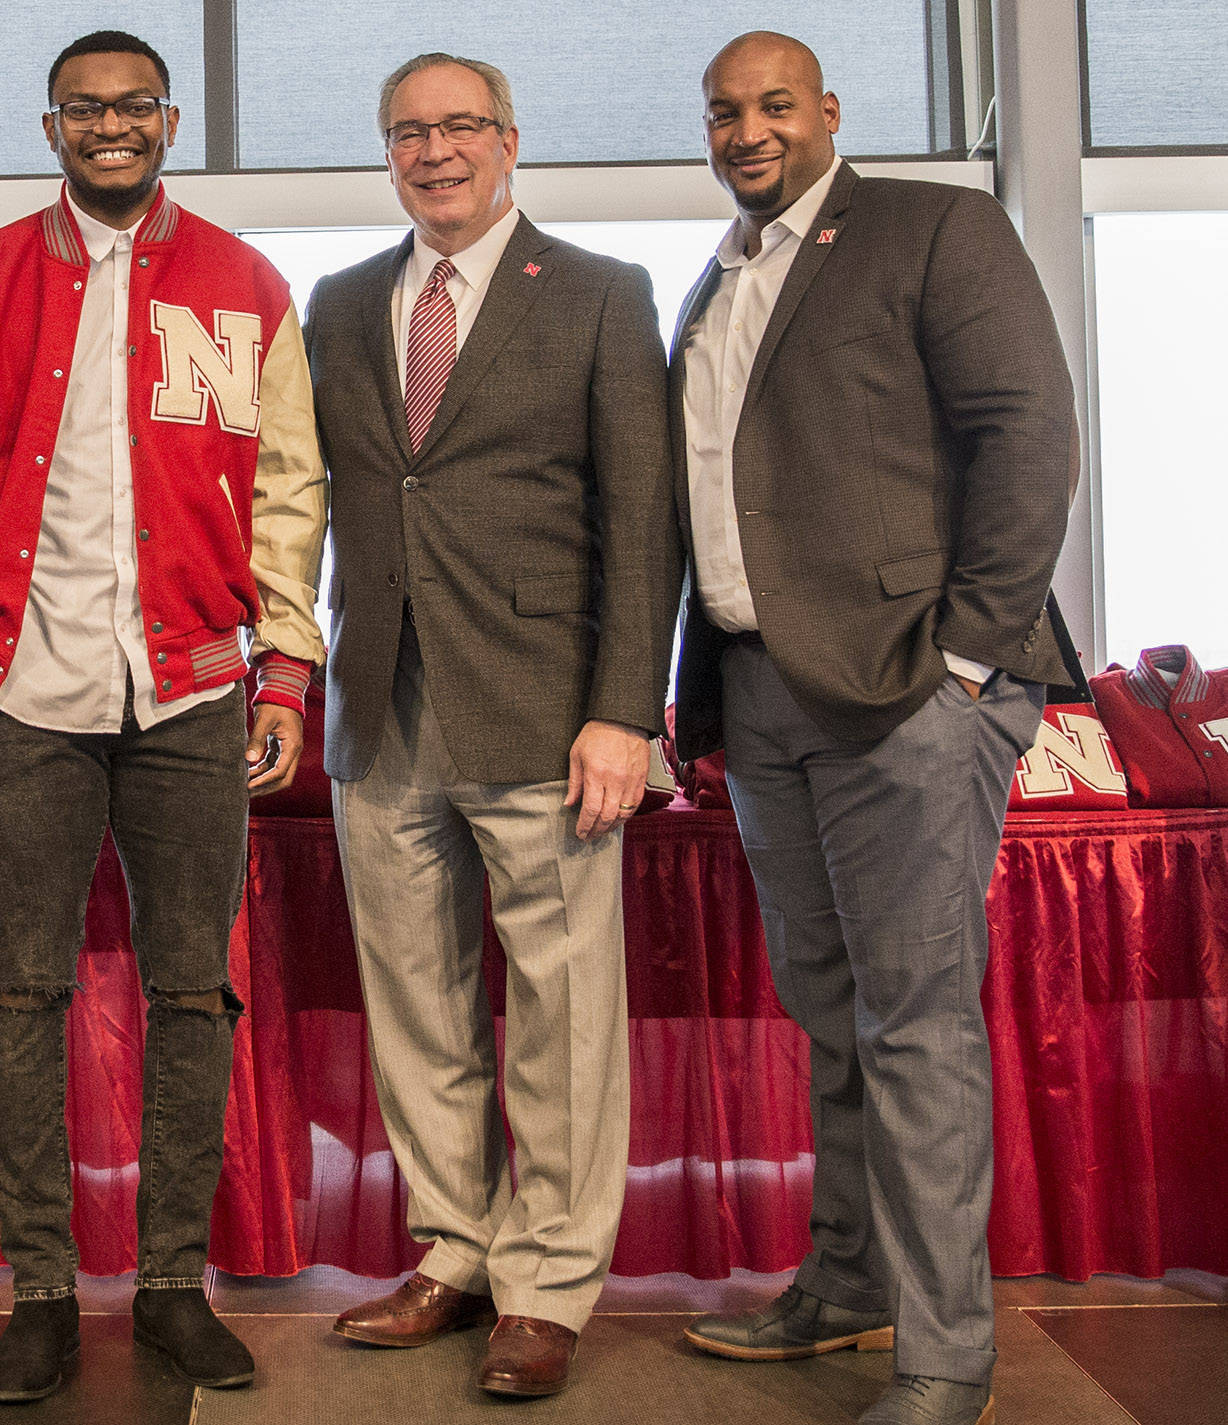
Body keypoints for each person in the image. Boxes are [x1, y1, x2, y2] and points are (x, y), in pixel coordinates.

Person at [0, 29, 326, 1403]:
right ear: (53, 122)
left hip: (192, 687)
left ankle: (174, 1282)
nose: (113, 125)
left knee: (194, 990)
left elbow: (291, 491)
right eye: (88, 107)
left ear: (171, 120)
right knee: (22, 992)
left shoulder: (248, 286)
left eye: (136, 106)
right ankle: (46, 1291)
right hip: (27, 696)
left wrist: (288, 664)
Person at [670, 32, 1079, 1425]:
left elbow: (1028, 431)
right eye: (726, 111)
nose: (748, 129)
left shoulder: (934, 227)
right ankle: (848, 1282)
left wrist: (967, 659)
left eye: (774, 104)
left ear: (828, 113)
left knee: (913, 1023)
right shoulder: (716, 283)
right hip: (763, 690)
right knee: (830, 1008)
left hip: (911, 685)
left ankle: (945, 1358)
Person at [305, 52, 681, 1400]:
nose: (436, 150)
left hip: (546, 712)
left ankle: (549, 1281)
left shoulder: (596, 293)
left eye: (461, 125)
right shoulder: (341, 304)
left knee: (562, 1014)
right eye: (410, 131)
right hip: (381, 708)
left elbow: (644, 522)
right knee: (416, 1005)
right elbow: (321, 497)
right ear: (387, 152)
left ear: (511, 141)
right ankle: (455, 1248)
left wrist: (623, 710)